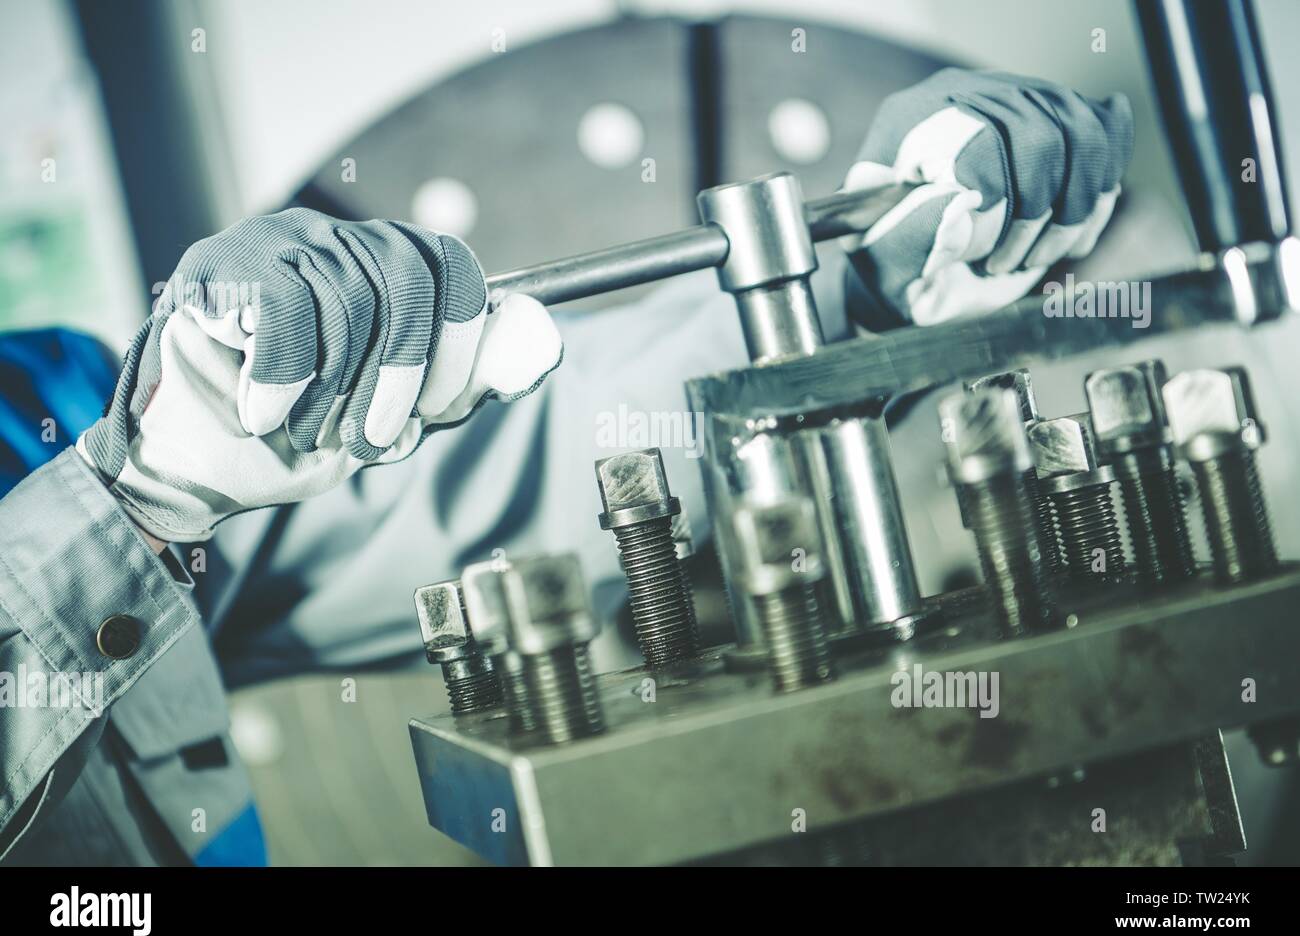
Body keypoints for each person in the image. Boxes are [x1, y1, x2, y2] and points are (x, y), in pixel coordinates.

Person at [0, 69, 1132, 864]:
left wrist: (846, 300)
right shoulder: (115, 448)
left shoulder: (46, 407)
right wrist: (124, 508)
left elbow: (508, 482)